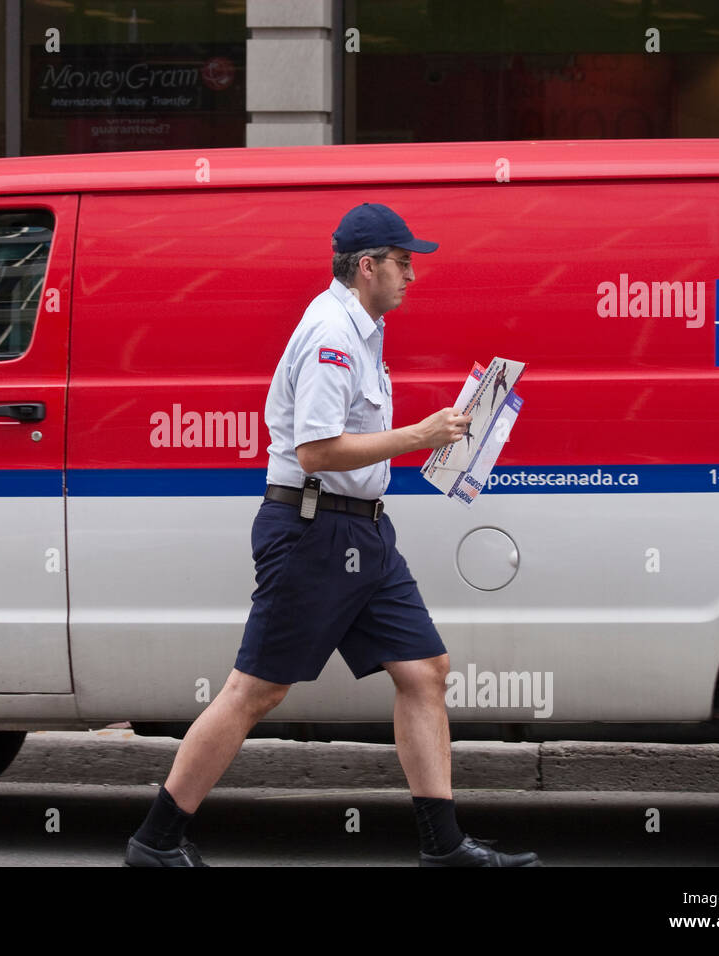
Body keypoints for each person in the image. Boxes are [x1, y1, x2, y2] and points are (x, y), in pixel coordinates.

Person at [125, 202, 541, 868]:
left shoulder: (363, 331)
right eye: (404, 263)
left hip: (364, 535)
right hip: (314, 532)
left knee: (424, 671)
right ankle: (156, 840)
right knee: (255, 691)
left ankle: (445, 849)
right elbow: (317, 451)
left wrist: (432, 442)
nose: (413, 276)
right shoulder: (331, 333)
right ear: (368, 266)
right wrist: (422, 436)